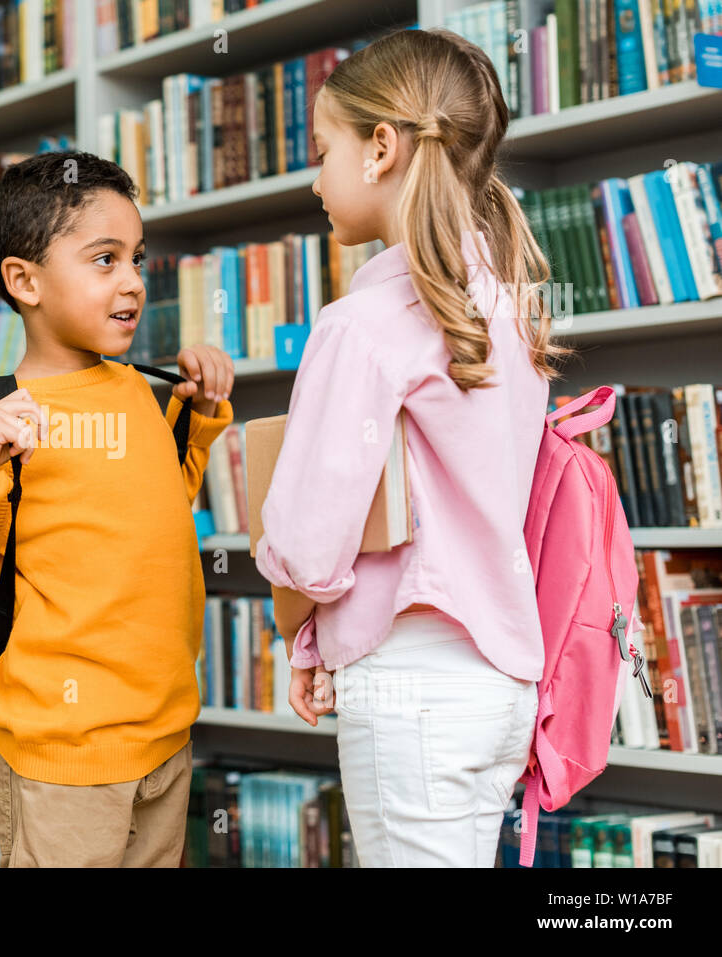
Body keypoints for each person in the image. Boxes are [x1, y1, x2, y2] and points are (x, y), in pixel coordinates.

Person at [253, 27, 576, 867]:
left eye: (324, 149)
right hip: (499, 684)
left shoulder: (359, 326)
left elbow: (306, 545)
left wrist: (303, 636)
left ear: (382, 148)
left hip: (409, 691)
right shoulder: (508, 312)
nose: (314, 178)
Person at [0, 150, 235, 867]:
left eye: (137, 258)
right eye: (104, 259)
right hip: (60, 754)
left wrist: (197, 418)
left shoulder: (142, 390)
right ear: (24, 280)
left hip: (166, 736)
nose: (133, 280)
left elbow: (152, 517)